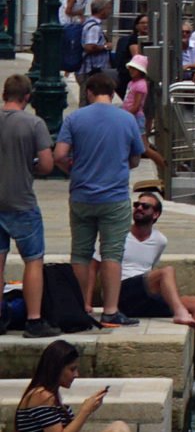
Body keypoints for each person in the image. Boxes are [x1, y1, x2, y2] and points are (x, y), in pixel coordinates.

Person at [106, 192, 195, 365]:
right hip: (120, 293)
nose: (139, 208)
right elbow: (96, 266)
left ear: (155, 214)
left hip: (142, 298)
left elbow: (147, 269)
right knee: (166, 271)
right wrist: (87, 303)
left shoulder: (160, 240)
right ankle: (180, 312)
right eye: (137, 205)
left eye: (145, 206)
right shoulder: (118, 235)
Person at [53, 72, 143, 328]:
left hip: (81, 195)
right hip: (114, 197)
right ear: (113, 92)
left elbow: (60, 155)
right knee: (112, 254)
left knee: (80, 253)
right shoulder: (126, 120)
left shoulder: (75, 118)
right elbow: (136, 158)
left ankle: (82, 306)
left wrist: (73, 170)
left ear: (89, 92)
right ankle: (111, 312)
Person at [14, 339, 152, 432]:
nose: (76, 375)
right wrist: (85, 411)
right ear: (57, 369)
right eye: (72, 369)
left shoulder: (48, 394)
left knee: (120, 426)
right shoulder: (41, 396)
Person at [0, 74, 59, 338]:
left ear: (4, 95)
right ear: (27, 97)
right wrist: (30, 165)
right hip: (21, 201)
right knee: (33, 260)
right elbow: (47, 164)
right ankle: (34, 320)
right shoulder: (34, 124)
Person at [59, 0, 96, 76]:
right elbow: (68, 11)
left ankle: (70, 66)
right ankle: (66, 65)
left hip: (74, 22)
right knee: (68, 43)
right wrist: (78, 13)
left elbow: (81, 11)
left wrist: (82, 18)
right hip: (65, 21)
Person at [77, 0, 115, 83]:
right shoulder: (94, 27)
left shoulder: (89, 24)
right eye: (108, 8)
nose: (110, 11)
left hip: (92, 70)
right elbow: (89, 47)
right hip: (92, 70)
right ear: (102, 9)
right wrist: (105, 46)